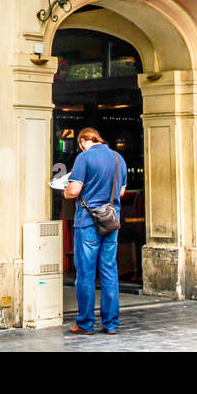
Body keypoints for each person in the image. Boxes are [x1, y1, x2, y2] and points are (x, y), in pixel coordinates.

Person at [63, 127, 127, 336]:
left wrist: (65, 190)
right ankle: (111, 324)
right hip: (110, 220)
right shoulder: (118, 158)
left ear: (83, 141)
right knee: (109, 271)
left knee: (86, 274)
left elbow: (74, 190)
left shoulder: (84, 158)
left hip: (88, 222)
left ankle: (85, 323)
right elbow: (121, 191)